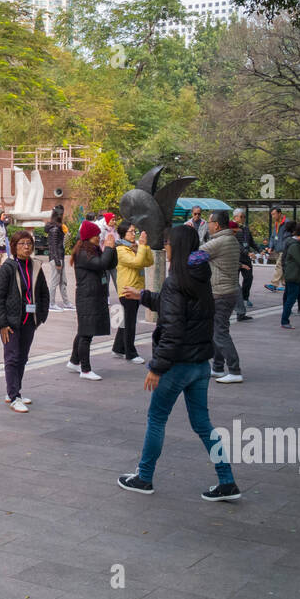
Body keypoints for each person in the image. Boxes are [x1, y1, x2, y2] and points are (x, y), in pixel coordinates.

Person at [116, 223, 240, 501]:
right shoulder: (198, 274)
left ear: (178, 246)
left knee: (157, 419)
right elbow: (178, 307)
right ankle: (227, 481)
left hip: (177, 365)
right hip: (199, 365)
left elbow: (172, 328)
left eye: (169, 243)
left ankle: (144, 477)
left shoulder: (176, 281)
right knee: (203, 424)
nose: (167, 247)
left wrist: (157, 367)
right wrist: (144, 296)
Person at [0, 228, 49, 411]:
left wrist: (41, 316)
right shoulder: (7, 268)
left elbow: (43, 292)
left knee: (23, 357)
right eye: (22, 244)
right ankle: (13, 395)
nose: (26, 247)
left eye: (29, 243)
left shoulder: (35, 266)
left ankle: (15, 390)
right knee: (12, 358)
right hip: (11, 322)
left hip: (29, 321)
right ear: (14, 247)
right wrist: (2, 323)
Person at [66, 220, 118, 380]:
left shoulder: (92, 249)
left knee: (84, 330)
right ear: (89, 236)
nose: (98, 237)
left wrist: (112, 249)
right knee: (86, 333)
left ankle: (74, 361)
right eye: (96, 235)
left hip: (93, 295)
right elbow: (101, 264)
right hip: (87, 297)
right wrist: (108, 247)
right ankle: (85, 369)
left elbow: (110, 263)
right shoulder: (84, 253)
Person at [200, 211, 243, 382]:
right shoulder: (230, 239)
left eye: (209, 223)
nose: (207, 225)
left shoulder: (219, 242)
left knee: (220, 332)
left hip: (221, 293)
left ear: (216, 224)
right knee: (216, 330)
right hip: (227, 291)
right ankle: (217, 367)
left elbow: (193, 257)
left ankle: (234, 370)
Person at [112, 222, 152, 363]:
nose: (133, 234)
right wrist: (141, 247)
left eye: (134, 231)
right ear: (123, 234)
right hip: (127, 289)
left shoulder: (134, 247)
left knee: (127, 320)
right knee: (130, 322)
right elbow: (137, 263)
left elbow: (149, 261)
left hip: (136, 289)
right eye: (130, 231)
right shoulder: (121, 250)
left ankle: (118, 347)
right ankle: (131, 352)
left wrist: (144, 246)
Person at [43, 206, 74, 310]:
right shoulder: (55, 229)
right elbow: (53, 247)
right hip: (56, 258)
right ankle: (51, 303)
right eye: (62, 214)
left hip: (60, 257)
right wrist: (57, 261)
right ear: (59, 216)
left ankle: (66, 302)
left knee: (63, 281)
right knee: (55, 281)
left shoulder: (59, 228)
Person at [233, 209, 256, 309]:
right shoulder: (232, 229)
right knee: (235, 280)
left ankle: (245, 298)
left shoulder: (246, 228)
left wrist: (260, 250)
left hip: (246, 258)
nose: (243, 218)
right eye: (241, 216)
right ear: (235, 217)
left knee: (249, 278)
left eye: (244, 217)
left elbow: (251, 242)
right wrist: (248, 252)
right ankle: (236, 300)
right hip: (236, 258)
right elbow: (236, 244)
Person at [264, 214, 293, 292]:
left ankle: (274, 284)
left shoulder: (287, 222)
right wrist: (271, 246)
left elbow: (288, 236)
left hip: (285, 248)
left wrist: (285, 245)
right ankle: (286, 285)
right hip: (278, 249)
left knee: (279, 265)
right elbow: (273, 236)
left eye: (274, 214)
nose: (273, 216)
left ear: (279, 213)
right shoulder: (276, 223)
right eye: (272, 215)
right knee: (283, 266)